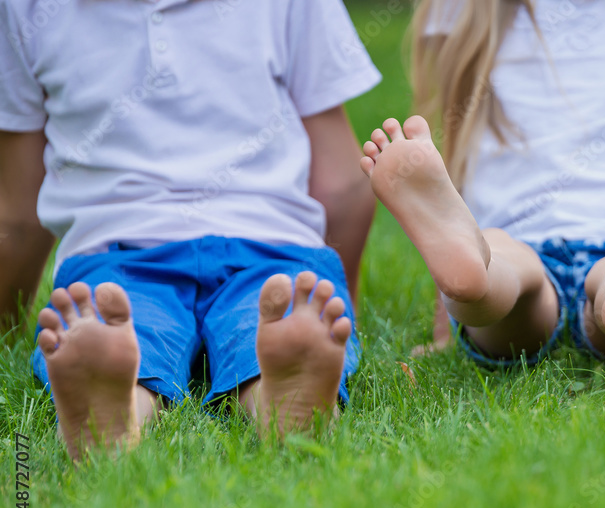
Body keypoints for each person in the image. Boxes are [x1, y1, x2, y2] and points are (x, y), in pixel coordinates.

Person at [0, 0, 381, 458]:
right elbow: (342, 185)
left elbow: (17, 214)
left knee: (114, 323)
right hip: (270, 247)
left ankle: (121, 408)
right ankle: (280, 399)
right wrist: (341, 308)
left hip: (120, 256)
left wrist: (6, 326)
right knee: (274, 322)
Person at [360, 0, 605, 366]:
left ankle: (478, 280)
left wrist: (443, 332)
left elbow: (461, 138)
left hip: (517, 234)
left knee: (500, 272)